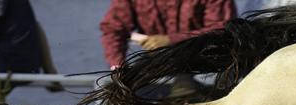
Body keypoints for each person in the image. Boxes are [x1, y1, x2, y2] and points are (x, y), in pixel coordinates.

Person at [99, 0, 237, 70]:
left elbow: (222, 29)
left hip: (207, 66)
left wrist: (171, 40)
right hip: (157, 66)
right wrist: (118, 69)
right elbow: (113, 29)